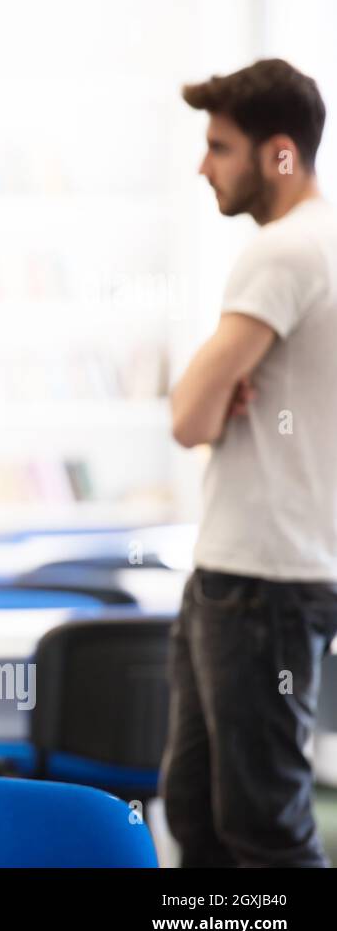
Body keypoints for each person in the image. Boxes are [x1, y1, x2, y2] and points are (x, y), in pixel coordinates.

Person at [164, 58, 337, 866]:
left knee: (262, 831)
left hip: (260, 587)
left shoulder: (286, 250)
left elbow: (188, 414)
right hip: (251, 577)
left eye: (219, 147)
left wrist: (215, 380)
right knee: (201, 819)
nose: (204, 167)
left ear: (278, 154)